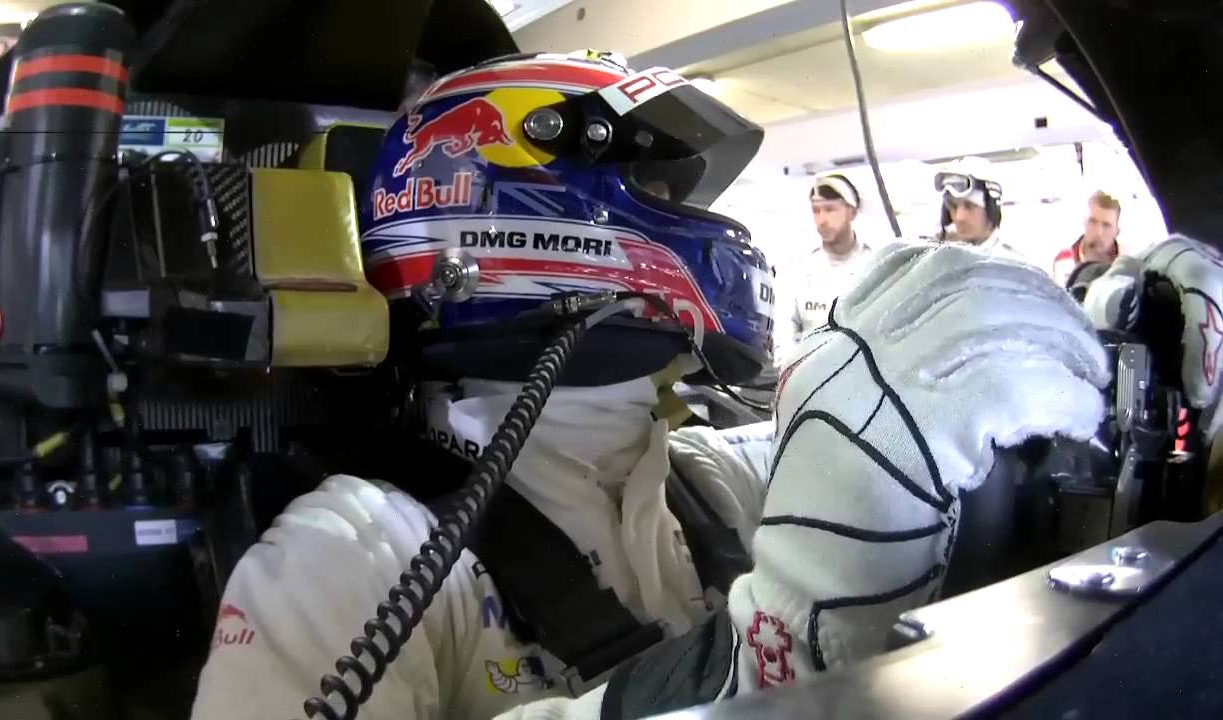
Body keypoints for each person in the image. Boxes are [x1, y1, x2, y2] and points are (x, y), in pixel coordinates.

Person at [190, 52, 1223, 720]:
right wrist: (750, 677)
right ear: (510, 208)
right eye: (654, 188)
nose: (697, 224)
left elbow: (899, 458)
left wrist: (1105, 373)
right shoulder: (348, 554)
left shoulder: (692, 476)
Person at [791, 174, 874, 340]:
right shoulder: (798, 272)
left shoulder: (874, 266)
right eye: (816, 211)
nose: (821, 220)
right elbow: (783, 341)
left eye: (829, 210)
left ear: (852, 212)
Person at [934, 165, 1024, 259]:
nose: (959, 217)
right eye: (953, 206)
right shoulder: (943, 256)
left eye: (970, 206)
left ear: (992, 211)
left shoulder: (1012, 264)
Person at [1053, 190, 1122, 285]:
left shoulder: (1125, 265)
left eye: (1106, 225)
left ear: (1117, 232)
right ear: (1084, 223)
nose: (1098, 233)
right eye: (1092, 222)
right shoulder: (1063, 261)